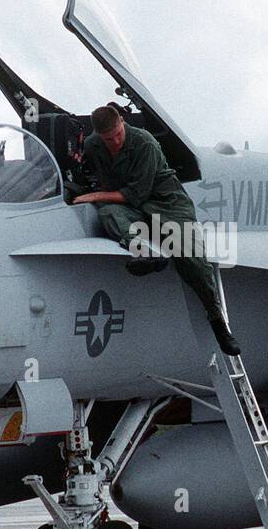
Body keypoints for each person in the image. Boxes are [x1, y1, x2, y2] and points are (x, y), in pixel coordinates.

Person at [73, 104, 240, 356]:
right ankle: (142, 252)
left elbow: (137, 193)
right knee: (108, 214)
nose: (115, 142)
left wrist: (95, 195)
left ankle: (217, 320)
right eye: (109, 139)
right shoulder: (94, 145)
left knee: (191, 258)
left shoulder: (144, 143)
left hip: (167, 204)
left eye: (118, 134)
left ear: (122, 122)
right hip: (131, 207)